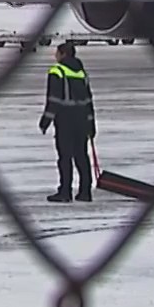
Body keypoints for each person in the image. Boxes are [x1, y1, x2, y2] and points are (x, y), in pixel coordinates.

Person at [40, 42, 95, 203]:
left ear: (63, 54)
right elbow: (88, 100)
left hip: (65, 119)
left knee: (65, 157)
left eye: (57, 52)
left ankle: (65, 191)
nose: (55, 55)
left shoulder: (57, 71)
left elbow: (54, 99)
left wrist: (46, 120)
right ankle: (85, 191)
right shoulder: (82, 73)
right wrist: (91, 123)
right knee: (81, 156)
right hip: (82, 118)